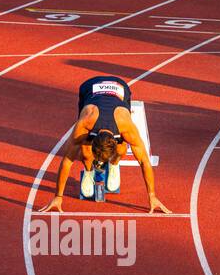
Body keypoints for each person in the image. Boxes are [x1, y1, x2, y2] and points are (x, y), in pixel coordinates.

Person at [37, 75, 171, 212]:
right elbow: (67, 159)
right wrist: (58, 196)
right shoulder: (85, 122)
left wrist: (152, 195)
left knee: (121, 148)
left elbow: (144, 160)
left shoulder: (126, 126)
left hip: (120, 88)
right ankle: (89, 171)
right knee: (84, 147)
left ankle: (114, 165)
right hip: (89, 89)